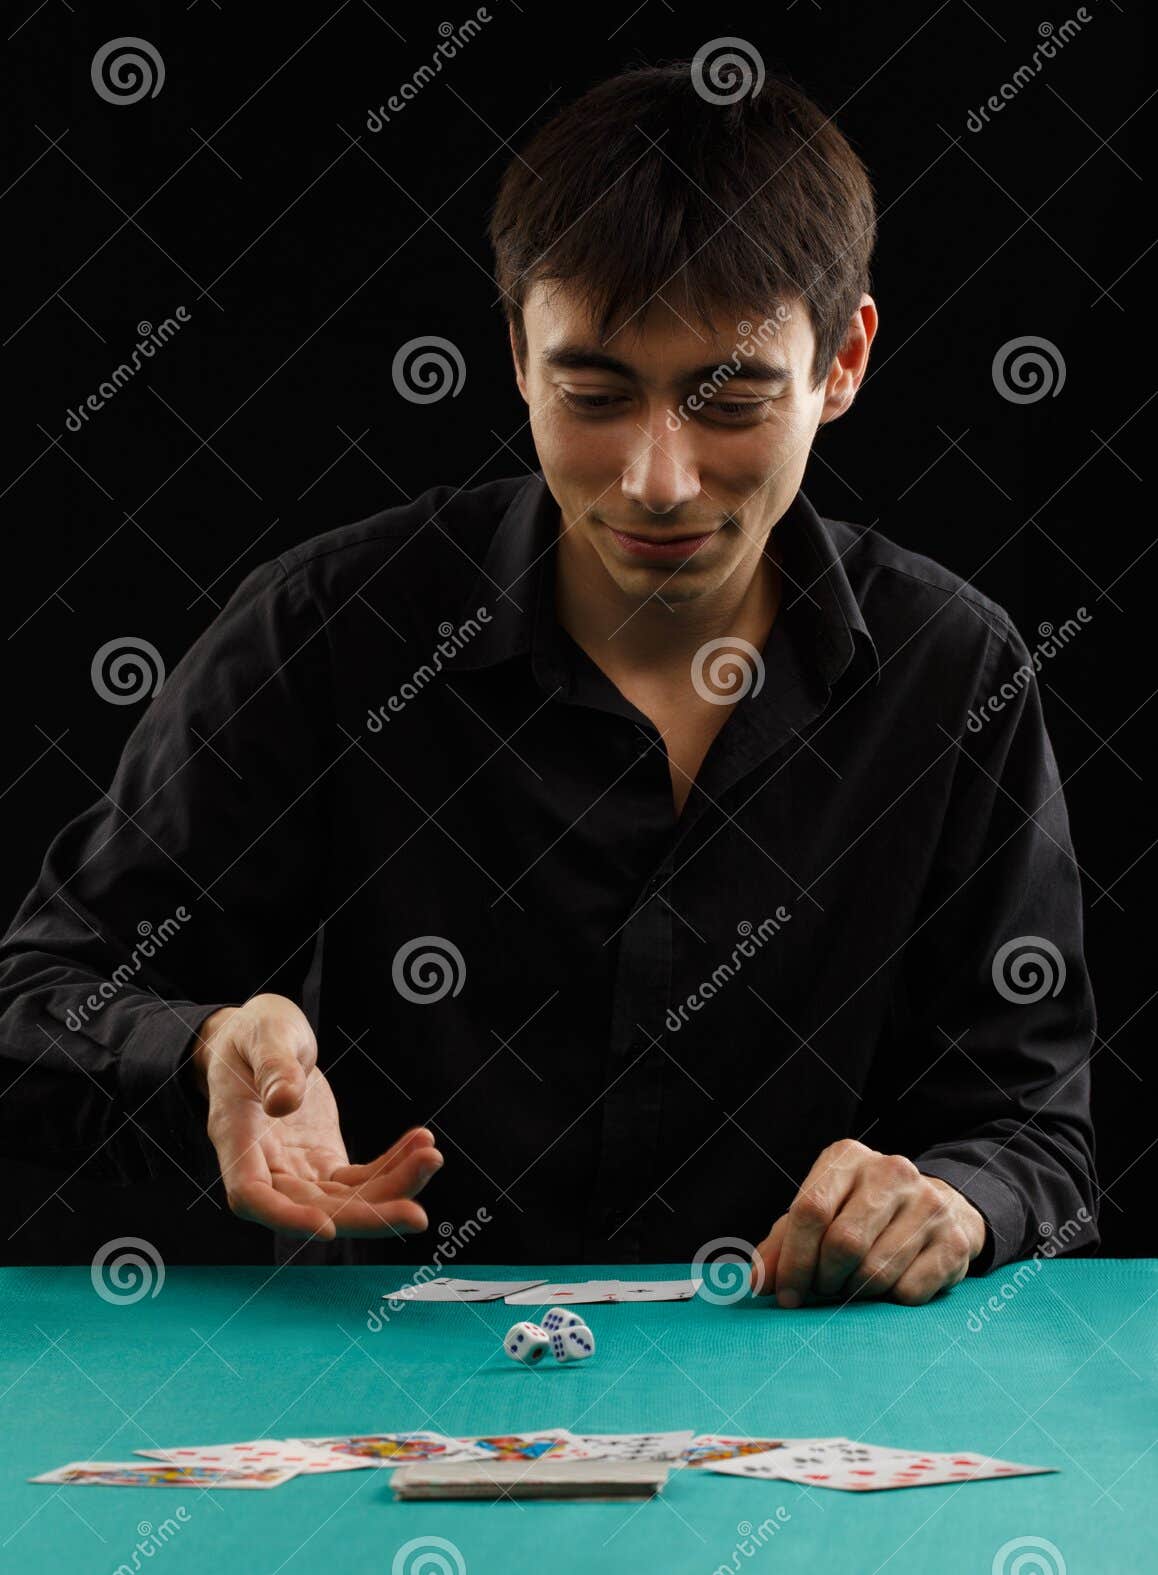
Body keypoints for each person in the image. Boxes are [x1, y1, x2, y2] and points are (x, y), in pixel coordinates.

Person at [0, 61, 1099, 1304]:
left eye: (729, 400)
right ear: (519, 356)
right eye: (595, 395)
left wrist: (955, 1200)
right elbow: (31, 1004)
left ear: (841, 362)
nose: (657, 481)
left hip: (805, 1382)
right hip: (386, 1383)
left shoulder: (953, 668)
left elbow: (1034, 1129)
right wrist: (204, 1048)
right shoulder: (327, 629)